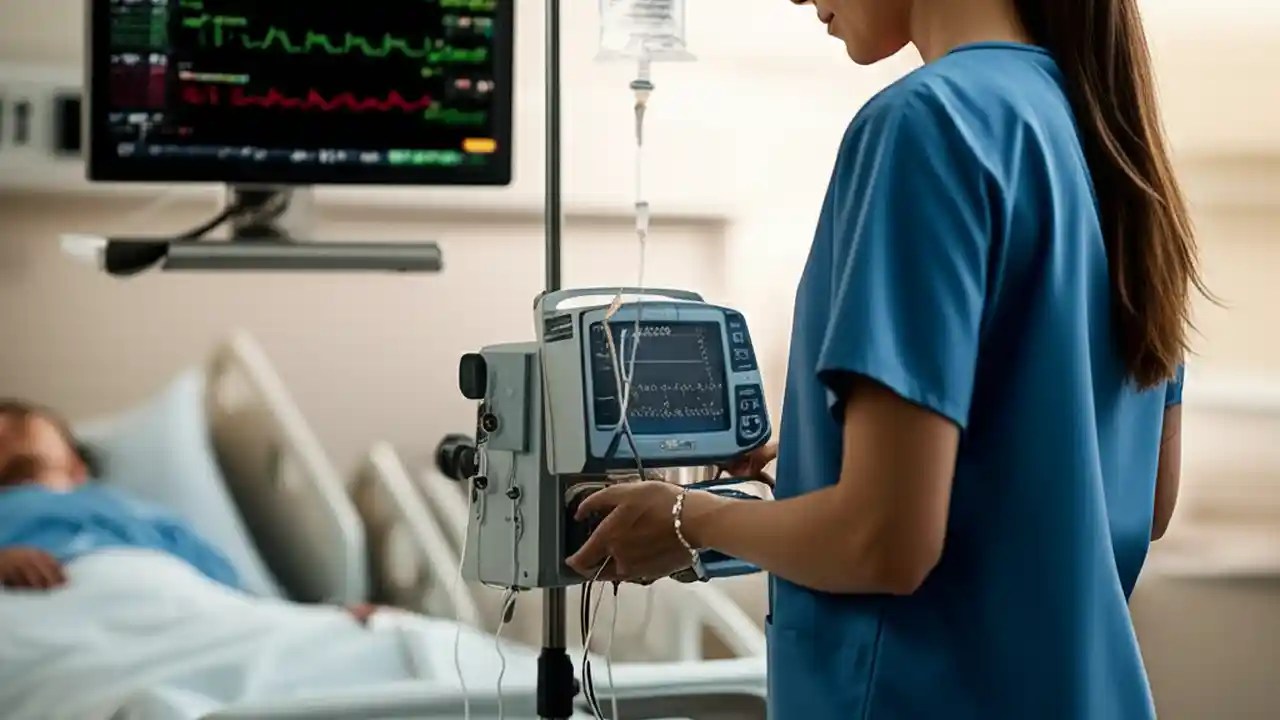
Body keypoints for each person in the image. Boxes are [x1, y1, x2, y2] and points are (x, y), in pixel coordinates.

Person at [566, 0, 1203, 718]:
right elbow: (1141, 499)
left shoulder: (925, 126)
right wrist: (824, 471)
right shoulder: (1104, 133)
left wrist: (687, 520)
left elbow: (884, 543)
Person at [0, 400, 384, 623]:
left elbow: (228, 602)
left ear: (77, 470)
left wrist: (320, 621)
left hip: (165, 603)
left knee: (396, 638)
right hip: (35, 619)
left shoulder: (139, 518)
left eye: (28, 469)